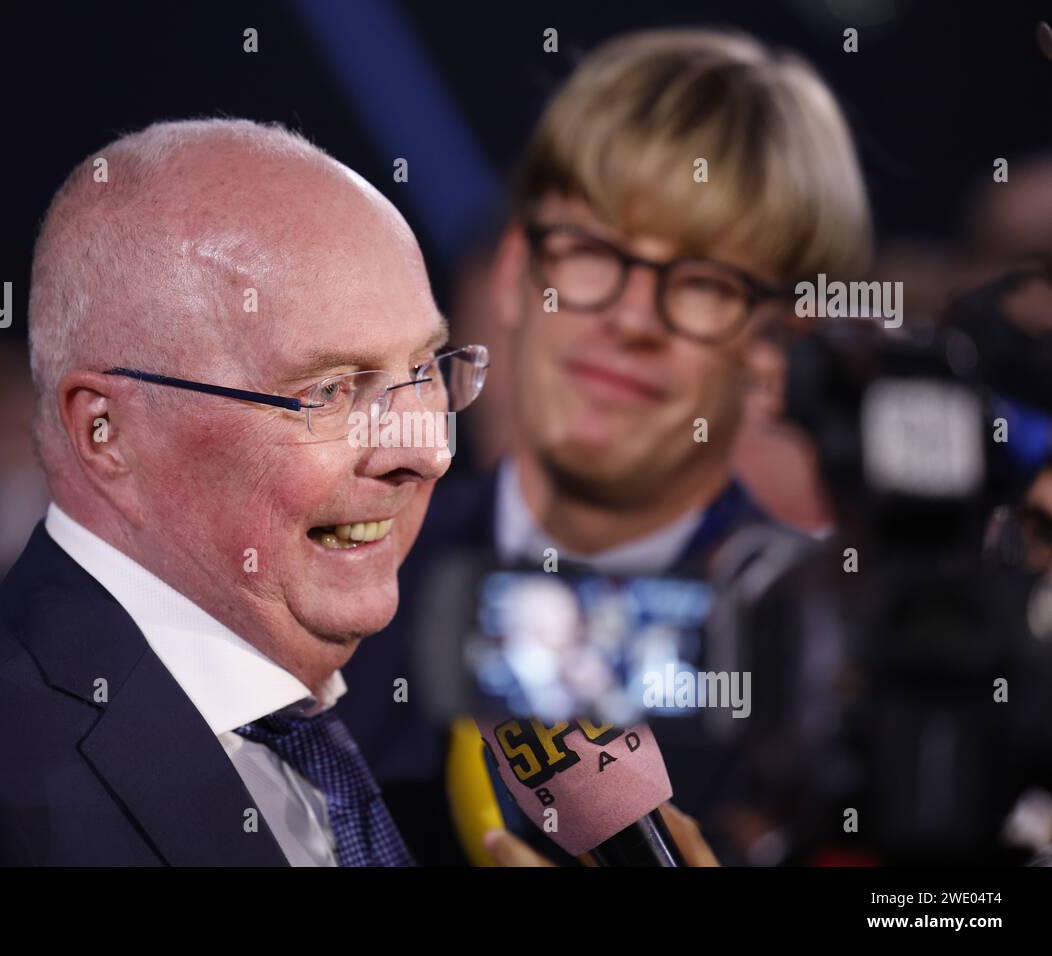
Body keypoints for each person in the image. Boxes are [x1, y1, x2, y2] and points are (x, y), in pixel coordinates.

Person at [0, 118, 482, 866]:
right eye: (331, 389)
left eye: (427, 369)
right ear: (108, 435)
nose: (428, 452)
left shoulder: (393, 721)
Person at [336, 27, 874, 866]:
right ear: (516, 272)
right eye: (592, 253)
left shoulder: (841, 668)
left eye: (702, 283)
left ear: (779, 353)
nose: (629, 319)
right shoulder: (336, 586)